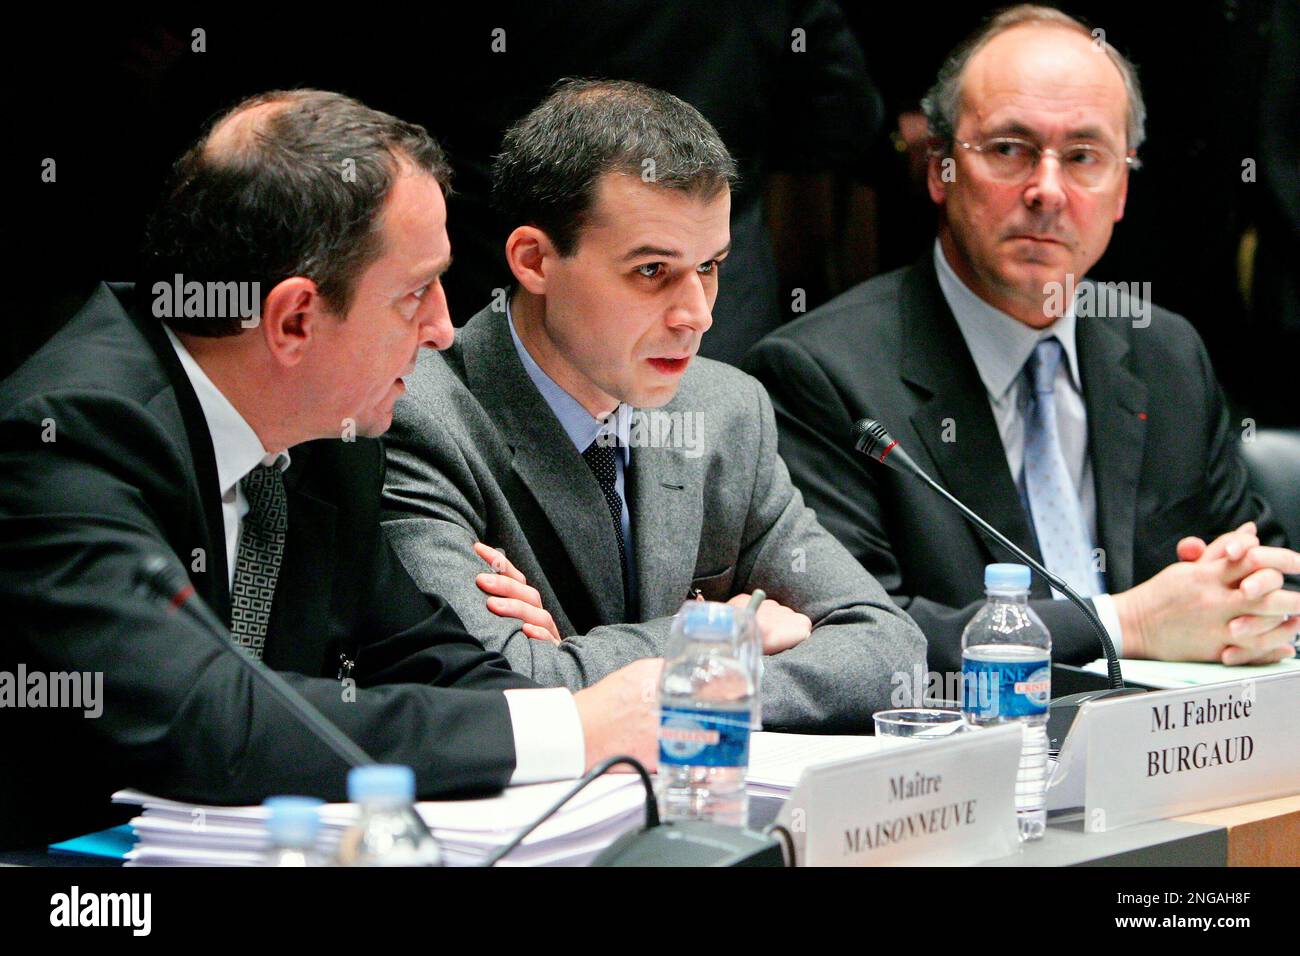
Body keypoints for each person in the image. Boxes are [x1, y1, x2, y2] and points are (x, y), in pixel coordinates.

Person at [0, 89, 658, 849]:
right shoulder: (68, 438)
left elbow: (411, 653)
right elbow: (211, 720)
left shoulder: (331, 431)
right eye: (415, 294)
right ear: (292, 321)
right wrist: (564, 727)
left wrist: (586, 739)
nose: (443, 330)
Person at [743, 6, 1300, 680]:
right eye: (1009, 149)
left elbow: (1267, 572)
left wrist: (1255, 600)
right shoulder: (821, 375)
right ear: (939, 170)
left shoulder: (1165, 353)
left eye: (1084, 158)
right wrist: (1127, 623)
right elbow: (851, 633)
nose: (1047, 191)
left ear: (1122, 188)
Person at [380, 79, 925, 732]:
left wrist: (701, 684)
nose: (696, 315)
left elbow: (888, 648)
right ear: (534, 260)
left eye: (710, 267)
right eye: (651, 272)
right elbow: (494, 690)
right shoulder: (417, 417)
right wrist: (720, 629)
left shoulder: (726, 411)